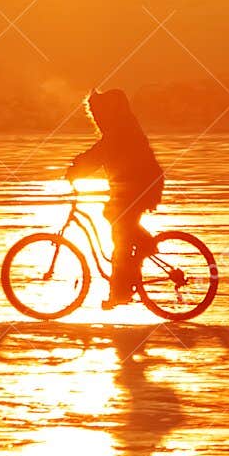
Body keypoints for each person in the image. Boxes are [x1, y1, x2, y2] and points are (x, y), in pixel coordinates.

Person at [65, 89, 164, 308]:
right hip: (134, 187)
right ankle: (143, 249)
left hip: (141, 187)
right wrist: (79, 163)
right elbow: (101, 152)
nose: (96, 118)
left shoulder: (121, 129)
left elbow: (101, 153)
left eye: (97, 112)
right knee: (116, 220)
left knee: (121, 236)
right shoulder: (119, 127)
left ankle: (120, 293)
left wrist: (77, 167)